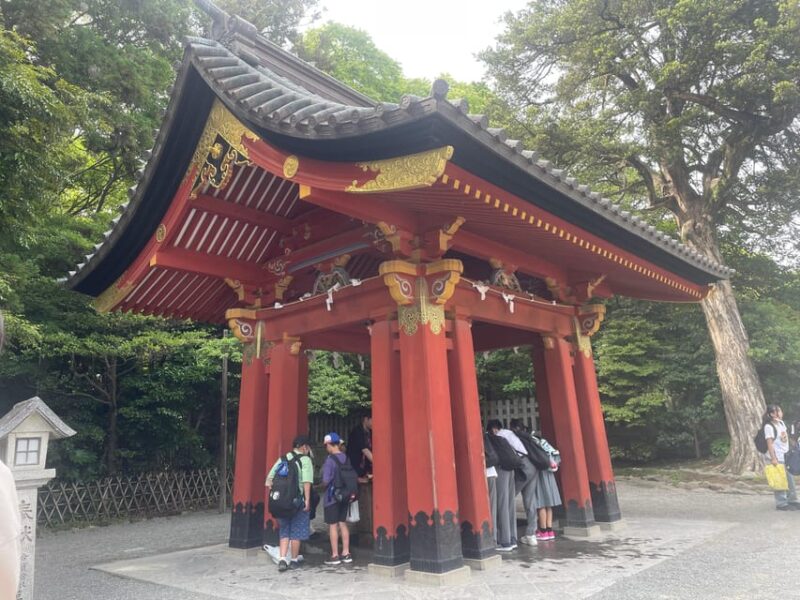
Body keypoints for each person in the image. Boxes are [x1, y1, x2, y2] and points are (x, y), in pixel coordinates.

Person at [265, 435, 314, 571]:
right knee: (296, 532)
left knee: (284, 530)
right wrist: (307, 500)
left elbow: (269, 480)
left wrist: (279, 495)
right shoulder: (305, 460)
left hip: (281, 502)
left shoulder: (282, 459)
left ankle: (282, 559)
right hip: (297, 501)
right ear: (304, 447)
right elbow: (307, 482)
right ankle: (293, 560)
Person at [505, 419, 540, 546]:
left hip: (524, 468)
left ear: (512, 427)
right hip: (533, 467)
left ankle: (508, 533)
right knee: (530, 501)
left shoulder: (508, 434)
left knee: (508, 497)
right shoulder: (527, 436)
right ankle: (531, 534)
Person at [321, 432, 353, 565]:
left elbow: (326, 480)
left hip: (332, 498)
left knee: (333, 526)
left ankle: (335, 555)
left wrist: (320, 485)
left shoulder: (330, 460)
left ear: (329, 444)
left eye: (326, 445)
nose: (326, 448)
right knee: (343, 523)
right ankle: (346, 553)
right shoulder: (345, 457)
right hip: (345, 495)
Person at [762, 405, 799, 511]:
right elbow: (769, 444)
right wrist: (773, 458)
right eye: (779, 411)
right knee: (779, 479)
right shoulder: (768, 427)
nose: (781, 412)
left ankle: (792, 500)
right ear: (772, 414)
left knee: (790, 479)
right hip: (776, 457)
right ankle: (781, 503)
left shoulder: (781, 423)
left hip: (786, 455)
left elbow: (785, 439)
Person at [483, 431, 500, 545]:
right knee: (492, 506)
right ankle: (493, 537)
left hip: (484, 474)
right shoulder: (485, 435)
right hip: (492, 473)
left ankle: (490, 537)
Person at [347, 411, 373, 479]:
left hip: (366, 468)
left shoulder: (371, 432)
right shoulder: (357, 432)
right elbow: (365, 450)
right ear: (366, 419)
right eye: (372, 420)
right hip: (355, 467)